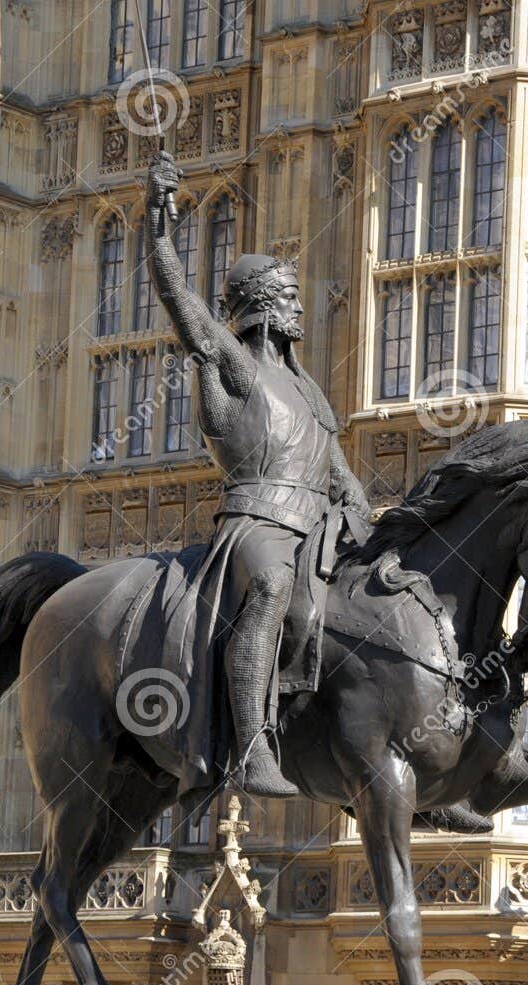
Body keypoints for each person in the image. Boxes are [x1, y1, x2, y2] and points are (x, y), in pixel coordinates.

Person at [145, 151, 369, 798]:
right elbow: (178, 298)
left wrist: (371, 528)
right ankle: (250, 748)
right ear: (263, 307)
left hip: (318, 530)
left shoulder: (311, 395)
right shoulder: (239, 367)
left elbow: (342, 478)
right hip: (257, 524)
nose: (301, 308)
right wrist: (158, 222)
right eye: (291, 297)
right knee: (271, 586)